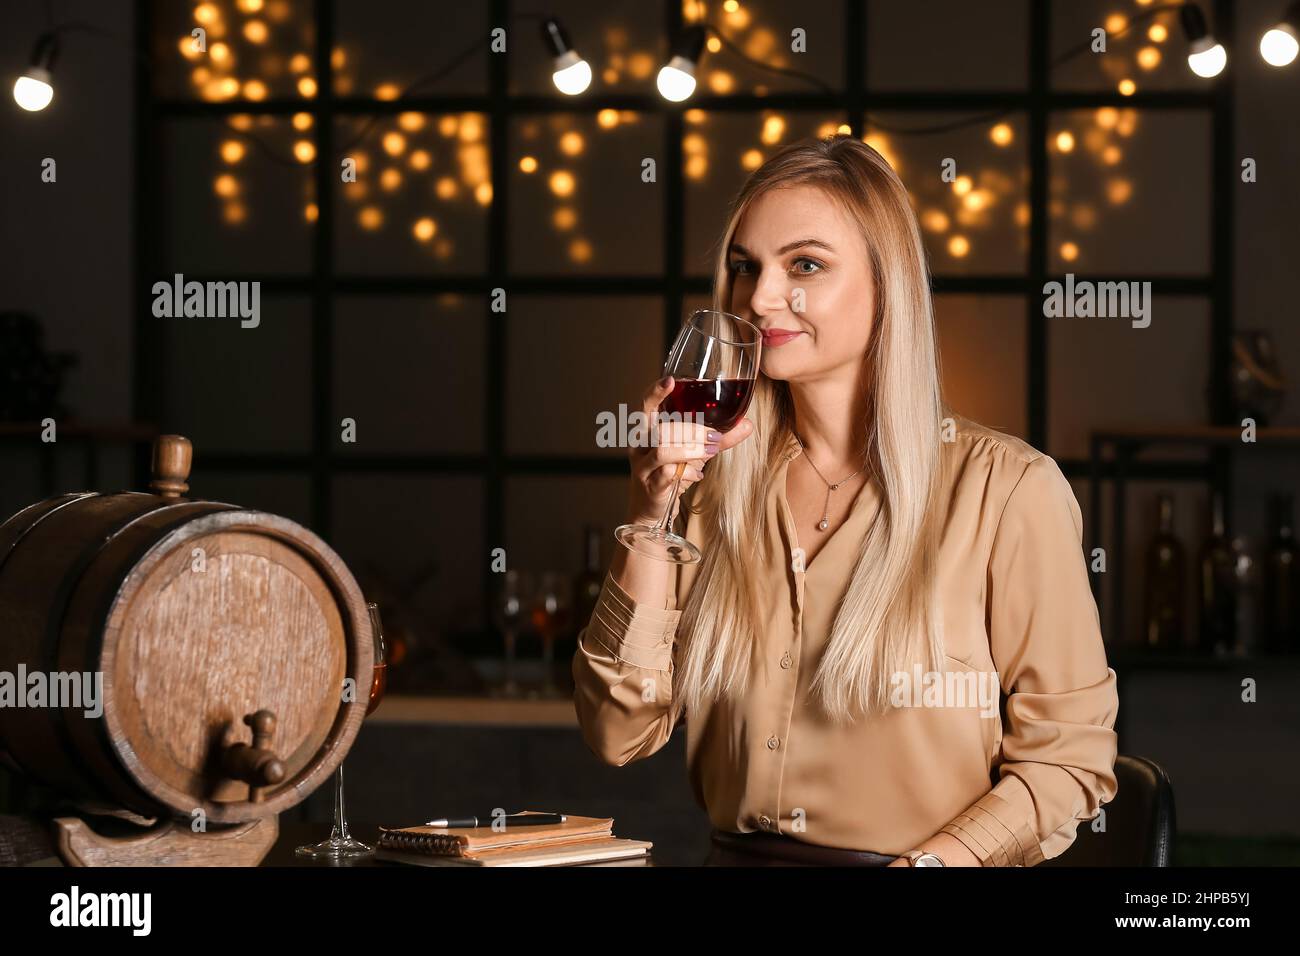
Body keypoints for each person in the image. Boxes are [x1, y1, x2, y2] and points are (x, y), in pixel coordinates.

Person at [572, 135, 1119, 867]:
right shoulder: (713, 492)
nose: (761, 297)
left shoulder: (1008, 492)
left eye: (804, 265)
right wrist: (649, 516)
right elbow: (615, 733)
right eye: (745, 267)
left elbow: (1068, 763)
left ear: (886, 283)